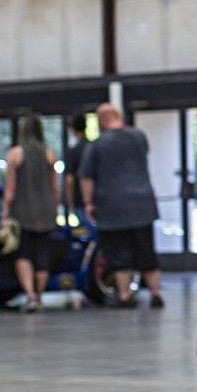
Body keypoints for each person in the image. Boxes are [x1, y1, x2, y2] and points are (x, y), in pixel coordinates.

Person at [79, 103, 163, 309]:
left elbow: (86, 177)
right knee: (147, 252)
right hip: (143, 204)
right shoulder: (139, 137)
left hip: (111, 207)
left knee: (118, 254)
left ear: (102, 120)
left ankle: (125, 295)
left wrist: (88, 203)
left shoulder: (97, 145)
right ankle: (156, 292)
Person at [0, 112, 60, 314]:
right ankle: (40, 295)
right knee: (42, 254)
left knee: (24, 253)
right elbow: (54, 189)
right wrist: (55, 209)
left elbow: (10, 190)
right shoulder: (49, 154)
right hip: (46, 210)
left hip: (22, 210)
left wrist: (4, 215)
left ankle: (30, 295)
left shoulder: (15, 154)